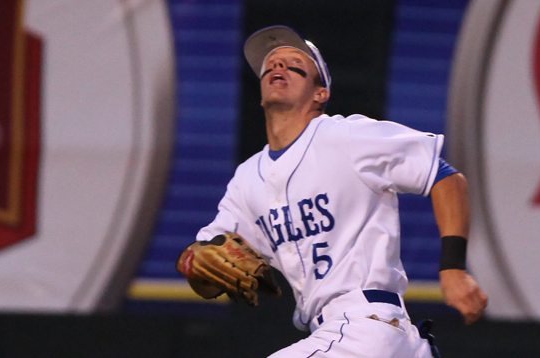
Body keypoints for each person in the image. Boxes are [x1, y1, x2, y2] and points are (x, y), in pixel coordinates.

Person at [184, 25, 488, 357]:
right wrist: (196, 264)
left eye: (293, 62)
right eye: (270, 65)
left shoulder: (344, 136)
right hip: (341, 334)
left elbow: (444, 177)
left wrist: (454, 268)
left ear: (320, 93)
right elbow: (209, 270)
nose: (277, 66)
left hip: (366, 324)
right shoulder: (247, 179)